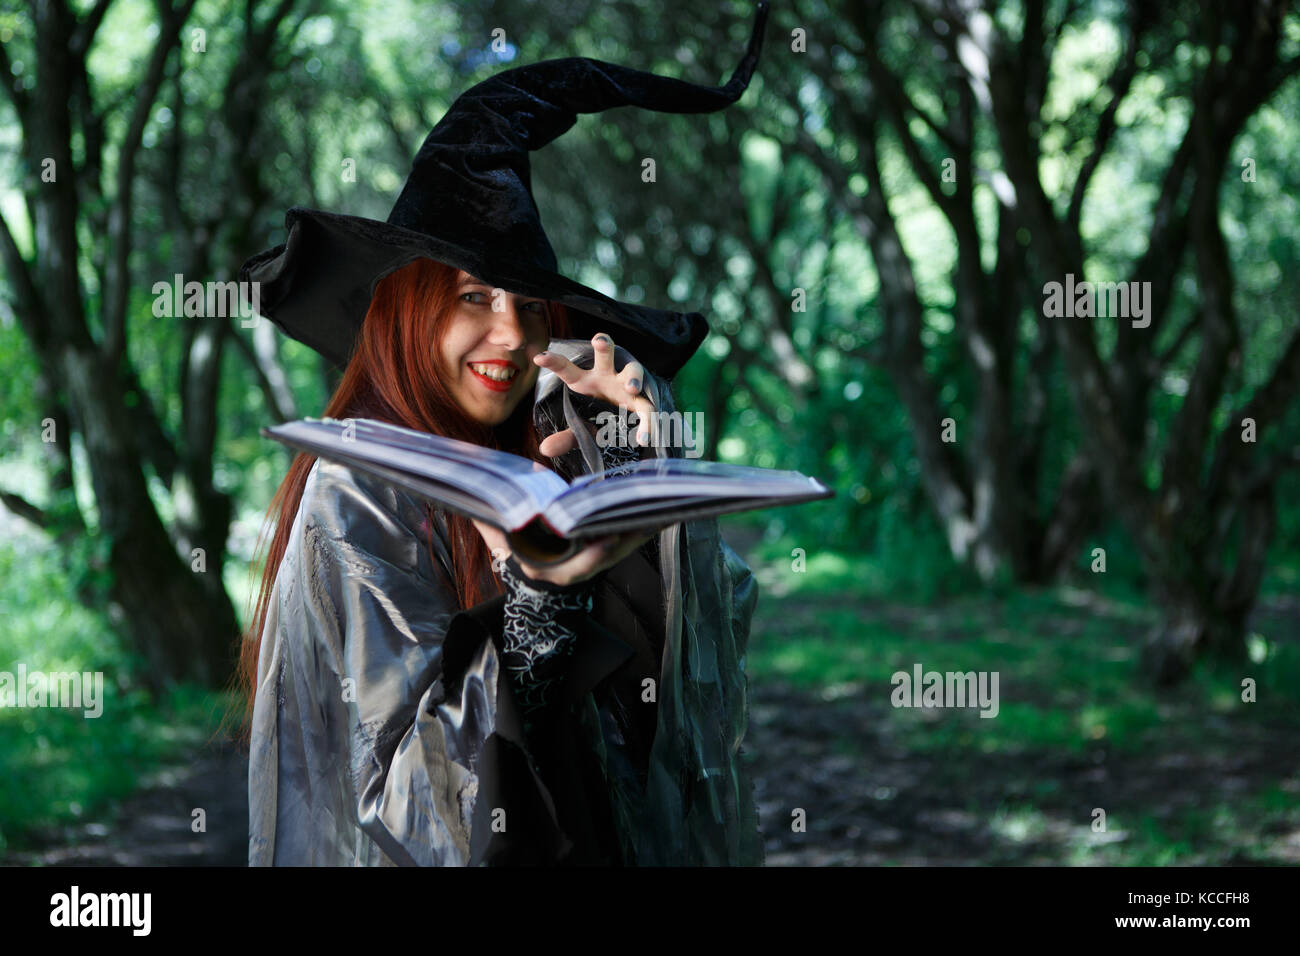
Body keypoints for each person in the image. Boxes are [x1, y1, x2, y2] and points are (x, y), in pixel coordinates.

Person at [236, 3, 771, 866]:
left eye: (528, 306)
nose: (513, 337)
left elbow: (671, 698)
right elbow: (417, 818)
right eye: (473, 297)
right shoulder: (358, 491)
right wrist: (533, 610)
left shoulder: (542, 453)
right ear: (406, 310)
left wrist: (628, 474)